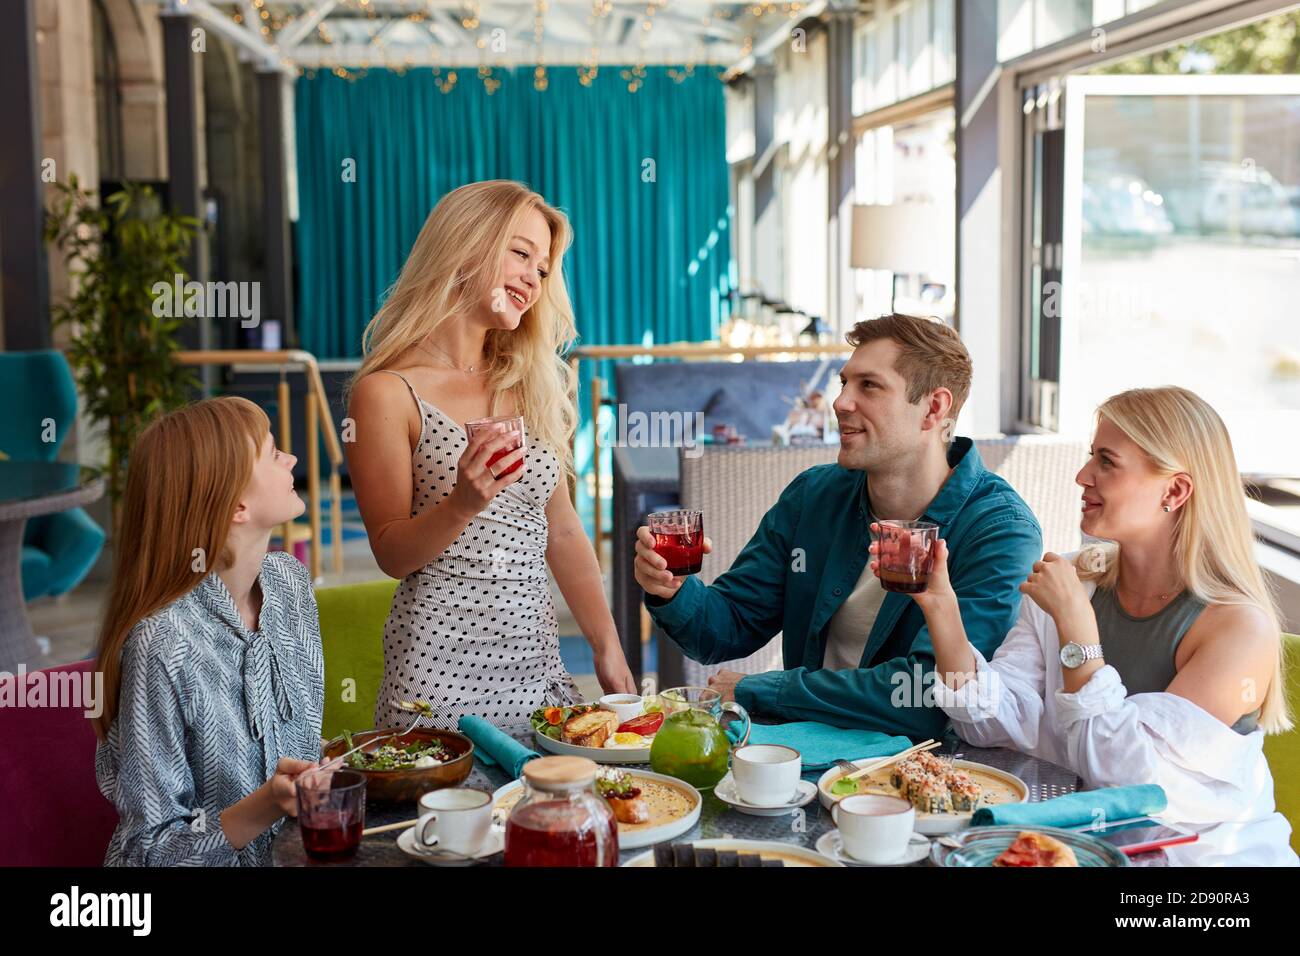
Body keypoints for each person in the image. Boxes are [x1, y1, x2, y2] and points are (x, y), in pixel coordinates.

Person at [912, 386, 1296, 865]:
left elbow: (1134, 782)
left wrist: (1078, 631)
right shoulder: (1076, 580)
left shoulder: (1238, 628)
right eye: (1091, 456)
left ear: (1174, 491)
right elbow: (992, 722)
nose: (1082, 476)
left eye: (1107, 462)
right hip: (1082, 844)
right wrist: (942, 608)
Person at [635, 313, 1042, 736]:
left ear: (933, 409)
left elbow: (927, 696)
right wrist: (673, 590)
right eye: (844, 383)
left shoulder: (1000, 532)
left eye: (869, 385)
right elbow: (727, 627)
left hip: (931, 773)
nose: (841, 402)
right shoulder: (814, 496)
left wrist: (767, 690)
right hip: (804, 760)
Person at [346, 180, 634, 732]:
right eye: (520, 253)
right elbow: (391, 554)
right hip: (436, 676)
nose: (534, 277)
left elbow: (564, 529)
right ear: (465, 243)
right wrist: (461, 503)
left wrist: (607, 646)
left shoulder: (530, 383)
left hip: (537, 664)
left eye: (544, 268)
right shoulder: (385, 393)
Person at [94, 397, 324, 866]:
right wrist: (267, 805)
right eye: (273, 451)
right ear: (237, 505)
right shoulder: (162, 643)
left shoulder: (290, 583)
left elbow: (297, 746)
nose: (292, 458)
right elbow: (150, 852)